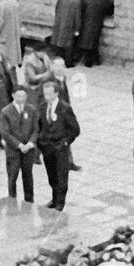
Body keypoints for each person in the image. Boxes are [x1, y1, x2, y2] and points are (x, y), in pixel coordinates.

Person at [37, 79, 80, 211]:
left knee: (62, 176)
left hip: (60, 147)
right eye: (45, 94)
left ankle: (60, 202)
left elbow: (75, 129)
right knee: (51, 175)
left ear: (56, 94)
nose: (47, 97)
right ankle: (54, 198)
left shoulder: (65, 108)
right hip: (47, 146)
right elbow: (40, 124)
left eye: (50, 94)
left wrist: (65, 142)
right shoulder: (43, 106)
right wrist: (40, 141)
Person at [0, 85, 38, 203]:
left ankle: (29, 200)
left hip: (29, 150)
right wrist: (20, 145)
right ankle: (12, 200)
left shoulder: (31, 109)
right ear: (13, 96)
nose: (22, 98)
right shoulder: (6, 112)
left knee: (28, 176)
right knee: (12, 176)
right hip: (13, 150)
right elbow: (5, 133)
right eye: (19, 95)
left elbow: (36, 129)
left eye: (24, 96)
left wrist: (30, 143)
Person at [52, 0, 84, 66]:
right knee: (69, 45)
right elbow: (78, 17)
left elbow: (56, 9)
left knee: (59, 43)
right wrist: (77, 29)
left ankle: (59, 60)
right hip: (70, 25)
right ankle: (68, 63)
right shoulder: (77, 1)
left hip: (59, 22)